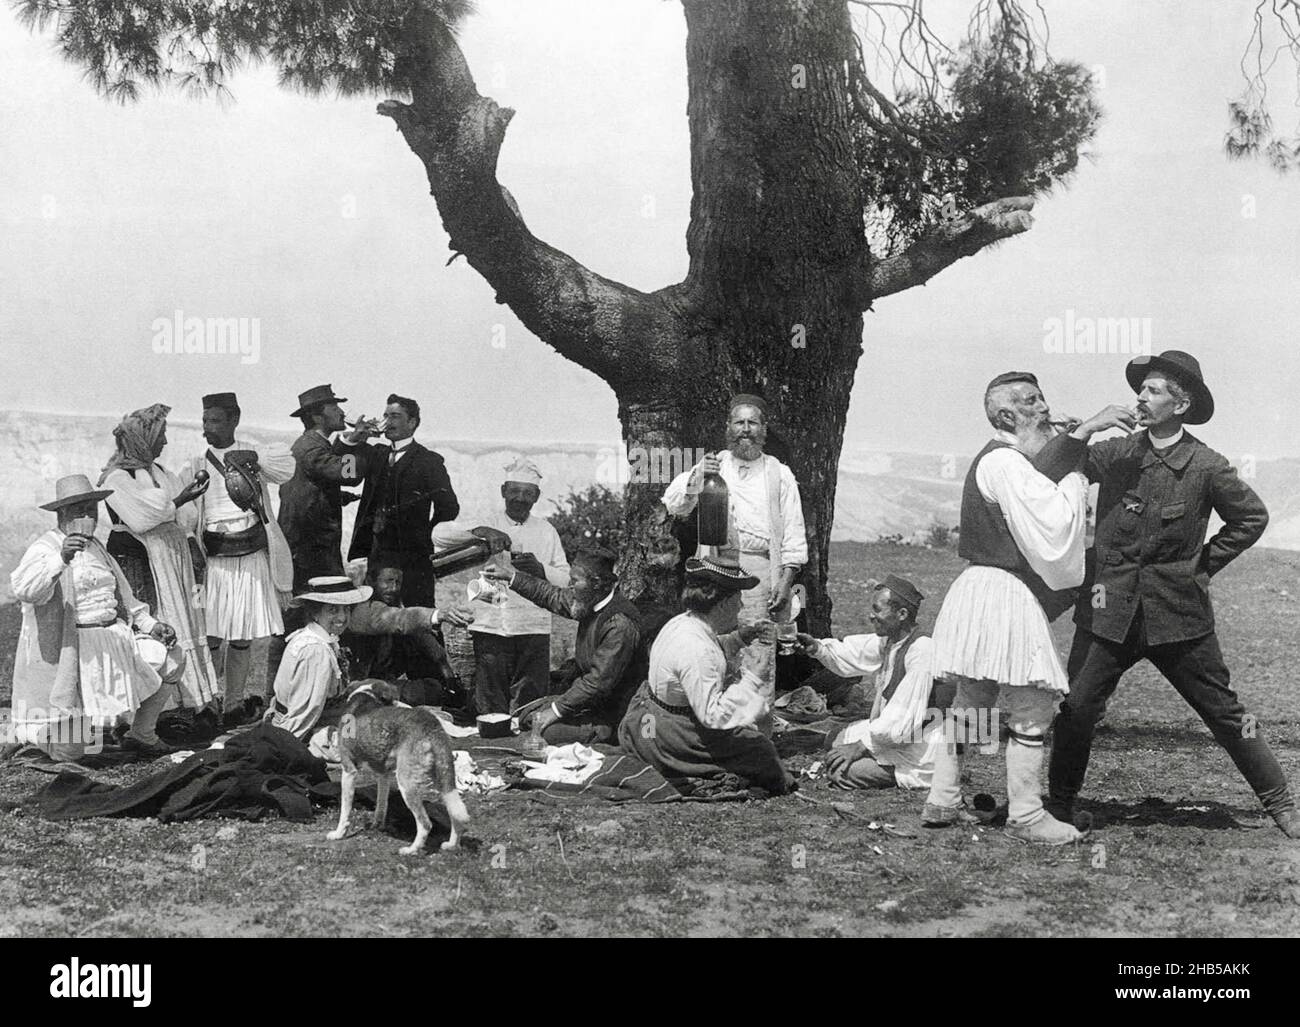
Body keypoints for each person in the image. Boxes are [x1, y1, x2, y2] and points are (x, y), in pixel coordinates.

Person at [1044, 350, 1299, 838]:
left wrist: (1200, 567)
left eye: (1154, 390)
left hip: (1178, 616)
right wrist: (1085, 429)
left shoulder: (1207, 465)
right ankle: (1059, 806)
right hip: (1106, 613)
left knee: (1227, 715)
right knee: (1075, 711)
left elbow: (1252, 519)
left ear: (1180, 406)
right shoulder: (1117, 452)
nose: (1140, 396)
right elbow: (1049, 471)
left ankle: (1283, 806)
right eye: (1142, 389)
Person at [920, 372, 1135, 844]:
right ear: (1006, 416)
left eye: (1042, 399)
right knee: (1032, 704)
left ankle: (942, 798)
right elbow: (1051, 527)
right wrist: (1079, 449)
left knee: (973, 698)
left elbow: (1040, 481)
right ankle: (1026, 814)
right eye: (1032, 402)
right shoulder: (1005, 463)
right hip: (1003, 591)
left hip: (980, 587)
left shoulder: (1006, 460)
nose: (1044, 409)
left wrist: (1070, 443)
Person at [10, 475, 187, 760]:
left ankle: (141, 734)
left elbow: (125, 597)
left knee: (174, 656)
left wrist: (151, 625)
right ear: (62, 514)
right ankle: (39, 737)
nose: (87, 516)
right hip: (72, 651)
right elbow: (24, 590)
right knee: (70, 752)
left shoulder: (98, 548)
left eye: (91, 509)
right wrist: (61, 558)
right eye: (79, 510)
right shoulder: (46, 547)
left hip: (112, 641)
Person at [662, 394, 807, 709]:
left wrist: (786, 581)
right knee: (713, 647)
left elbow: (794, 534)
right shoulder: (715, 465)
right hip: (715, 570)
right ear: (728, 427)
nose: (746, 430)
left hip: (759, 574)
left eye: (752, 423)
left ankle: (755, 731)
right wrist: (698, 476)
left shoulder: (779, 473)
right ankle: (714, 728)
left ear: (763, 429)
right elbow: (675, 504)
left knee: (756, 651)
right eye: (739, 422)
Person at [618, 553, 794, 795]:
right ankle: (676, 762)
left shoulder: (682, 623)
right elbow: (714, 717)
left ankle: (661, 755)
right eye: (737, 600)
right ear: (722, 605)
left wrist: (740, 638)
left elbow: (708, 654)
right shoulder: (697, 648)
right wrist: (754, 676)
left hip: (646, 721)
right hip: (668, 733)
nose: (741, 607)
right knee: (761, 751)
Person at [179, 392, 295, 728]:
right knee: (212, 636)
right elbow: (186, 511)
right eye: (204, 421)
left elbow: (287, 469)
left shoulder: (251, 451)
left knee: (242, 636)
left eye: (215, 420)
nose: (207, 428)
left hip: (250, 553)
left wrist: (254, 457)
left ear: (234, 419)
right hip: (215, 558)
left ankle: (233, 704)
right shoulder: (196, 462)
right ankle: (208, 704)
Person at [99, 403, 220, 711]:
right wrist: (180, 499)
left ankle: (191, 703)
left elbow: (185, 517)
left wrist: (186, 521)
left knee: (184, 620)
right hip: (139, 557)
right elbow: (143, 517)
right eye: (161, 434)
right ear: (143, 438)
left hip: (171, 557)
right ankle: (158, 710)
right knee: (154, 621)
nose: (165, 442)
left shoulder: (161, 473)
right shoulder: (117, 478)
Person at [432, 457, 570, 715]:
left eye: (528, 493)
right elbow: (438, 534)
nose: (520, 498)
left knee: (530, 705)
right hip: (491, 626)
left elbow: (565, 578)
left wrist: (540, 569)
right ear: (503, 491)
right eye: (514, 491)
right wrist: (482, 531)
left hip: (532, 628)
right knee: (490, 705)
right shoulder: (486, 520)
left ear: (537, 497)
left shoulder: (546, 531)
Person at [485, 546, 644, 744]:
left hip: (614, 715)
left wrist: (555, 711)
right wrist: (510, 577)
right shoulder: (589, 599)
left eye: (575, 580)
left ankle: (602, 736)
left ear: (596, 584)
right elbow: (551, 595)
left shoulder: (619, 624)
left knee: (541, 730)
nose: (569, 585)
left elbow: (596, 684)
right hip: (590, 703)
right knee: (527, 715)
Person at [795, 575, 940, 790]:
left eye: (877, 609)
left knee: (844, 772)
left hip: (920, 745)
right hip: (895, 733)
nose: (871, 616)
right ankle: (872, 756)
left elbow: (905, 717)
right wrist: (817, 648)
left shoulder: (921, 650)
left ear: (901, 614)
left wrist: (862, 746)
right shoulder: (891, 641)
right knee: (835, 739)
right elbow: (854, 653)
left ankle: (897, 772)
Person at [347, 393, 459, 607]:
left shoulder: (429, 461)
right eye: (385, 415)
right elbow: (348, 475)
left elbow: (449, 508)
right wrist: (354, 440)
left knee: (418, 616)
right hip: (376, 556)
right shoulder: (375, 454)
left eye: (395, 416)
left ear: (412, 422)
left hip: (413, 559)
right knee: (377, 615)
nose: (388, 422)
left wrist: (424, 535)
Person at [277, 384, 378, 592]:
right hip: (312, 551)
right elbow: (350, 473)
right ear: (317, 417)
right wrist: (363, 443)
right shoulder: (312, 449)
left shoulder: (311, 443)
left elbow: (312, 486)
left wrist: (335, 496)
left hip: (307, 548)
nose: (341, 413)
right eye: (334, 408)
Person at [342, 554, 468, 708]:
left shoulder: (393, 604)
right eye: (388, 581)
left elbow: (418, 633)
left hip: (385, 679)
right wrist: (437, 614)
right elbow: (399, 619)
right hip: (360, 684)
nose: (393, 588)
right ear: (371, 581)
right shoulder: (362, 610)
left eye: (398, 582)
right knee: (423, 693)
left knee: (433, 686)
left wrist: (444, 666)